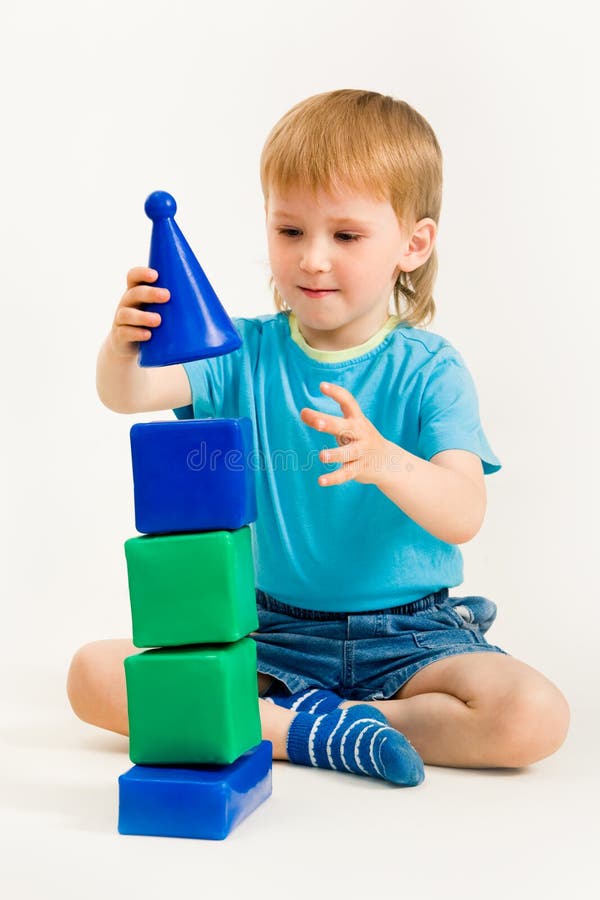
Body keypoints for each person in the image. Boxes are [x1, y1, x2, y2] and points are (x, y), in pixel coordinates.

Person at [67, 89, 569, 786]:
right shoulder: (240, 351)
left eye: (346, 236)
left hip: (410, 635)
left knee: (534, 716)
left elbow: (464, 512)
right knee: (91, 676)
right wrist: (124, 347)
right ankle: (309, 731)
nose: (311, 259)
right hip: (274, 630)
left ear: (413, 244)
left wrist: (387, 462)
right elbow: (127, 394)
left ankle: (326, 721)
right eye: (290, 231)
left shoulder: (431, 368)